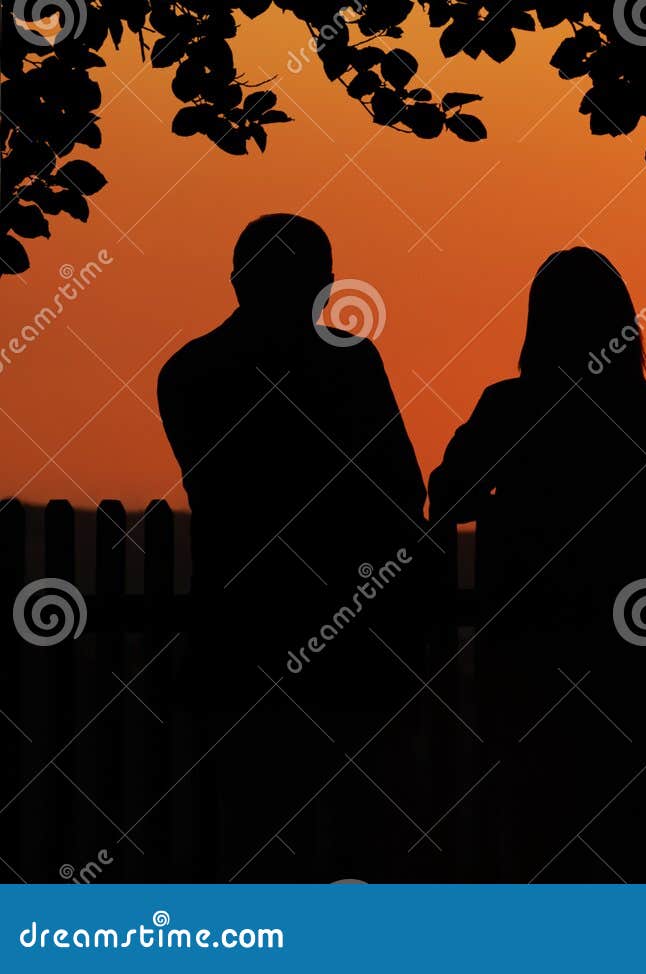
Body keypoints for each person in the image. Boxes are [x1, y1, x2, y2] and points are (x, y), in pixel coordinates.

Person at [156, 214, 426, 881]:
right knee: (356, 851)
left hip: (237, 640)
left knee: (249, 850)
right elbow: (402, 492)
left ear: (238, 282)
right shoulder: (351, 364)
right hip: (351, 650)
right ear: (325, 285)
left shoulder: (189, 372)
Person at [428, 247, 646, 881]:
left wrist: (507, 499)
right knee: (625, 832)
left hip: (526, 648)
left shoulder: (508, 407)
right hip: (627, 653)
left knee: (531, 831)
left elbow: (447, 497)